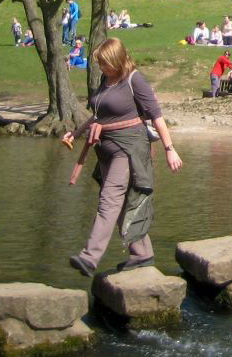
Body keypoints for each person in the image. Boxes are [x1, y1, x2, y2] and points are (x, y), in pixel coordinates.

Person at [64, 37, 182, 277]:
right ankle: (142, 253)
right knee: (122, 204)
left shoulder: (134, 79)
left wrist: (170, 149)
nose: (100, 67)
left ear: (117, 60)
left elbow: (156, 116)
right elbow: (98, 114)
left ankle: (90, 257)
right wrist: (76, 133)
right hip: (105, 149)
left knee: (109, 199)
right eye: (99, 63)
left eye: (104, 63)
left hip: (129, 149)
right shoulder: (104, 80)